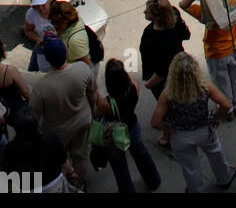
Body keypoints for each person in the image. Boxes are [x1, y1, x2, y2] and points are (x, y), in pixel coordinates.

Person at [152, 52, 236, 193]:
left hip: (180, 135)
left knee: (190, 167)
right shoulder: (205, 86)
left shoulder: (168, 93)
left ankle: (196, 189)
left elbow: (155, 122)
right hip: (204, 129)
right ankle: (225, 177)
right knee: (215, 153)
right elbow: (226, 105)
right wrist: (215, 117)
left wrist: (167, 128)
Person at [29, 36, 97, 185]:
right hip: (82, 121)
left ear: (47, 59)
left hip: (57, 133)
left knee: (59, 160)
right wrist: (93, 112)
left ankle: (65, 185)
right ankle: (79, 184)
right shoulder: (83, 69)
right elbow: (92, 94)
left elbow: (35, 117)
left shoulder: (40, 88)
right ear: (66, 52)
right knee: (80, 157)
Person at [94, 58, 161, 194]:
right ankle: (153, 180)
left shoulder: (105, 103)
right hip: (132, 128)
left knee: (119, 166)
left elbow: (96, 114)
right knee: (141, 155)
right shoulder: (134, 88)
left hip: (114, 135)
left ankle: (127, 190)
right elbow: (132, 81)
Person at [178, 0, 236, 105]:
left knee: (222, 84)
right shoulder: (233, 4)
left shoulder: (206, 14)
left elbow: (183, 4)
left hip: (216, 54)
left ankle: (228, 107)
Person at [139, 0, 191, 141]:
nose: (144, 13)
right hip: (179, 66)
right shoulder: (174, 15)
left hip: (162, 78)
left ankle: (169, 135)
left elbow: (162, 70)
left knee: (168, 107)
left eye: (148, 12)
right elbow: (186, 35)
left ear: (158, 17)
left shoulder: (160, 39)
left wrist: (150, 84)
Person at [1, 107, 69, 193]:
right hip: (53, 184)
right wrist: (71, 172)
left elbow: (8, 173)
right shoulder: (51, 137)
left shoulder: (11, 149)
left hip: (29, 188)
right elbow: (63, 160)